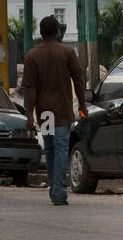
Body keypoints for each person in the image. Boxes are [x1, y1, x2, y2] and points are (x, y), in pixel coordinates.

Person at [22, 15, 86, 206]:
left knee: (49, 149)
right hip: (62, 110)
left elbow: (30, 89)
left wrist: (30, 115)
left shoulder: (32, 55)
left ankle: (54, 188)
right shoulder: (67, 52)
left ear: (41, 33)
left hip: (45, 113)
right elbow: (79, 80)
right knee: (60, 149)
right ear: (57, 31)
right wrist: (82, 105)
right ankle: (58, 191)